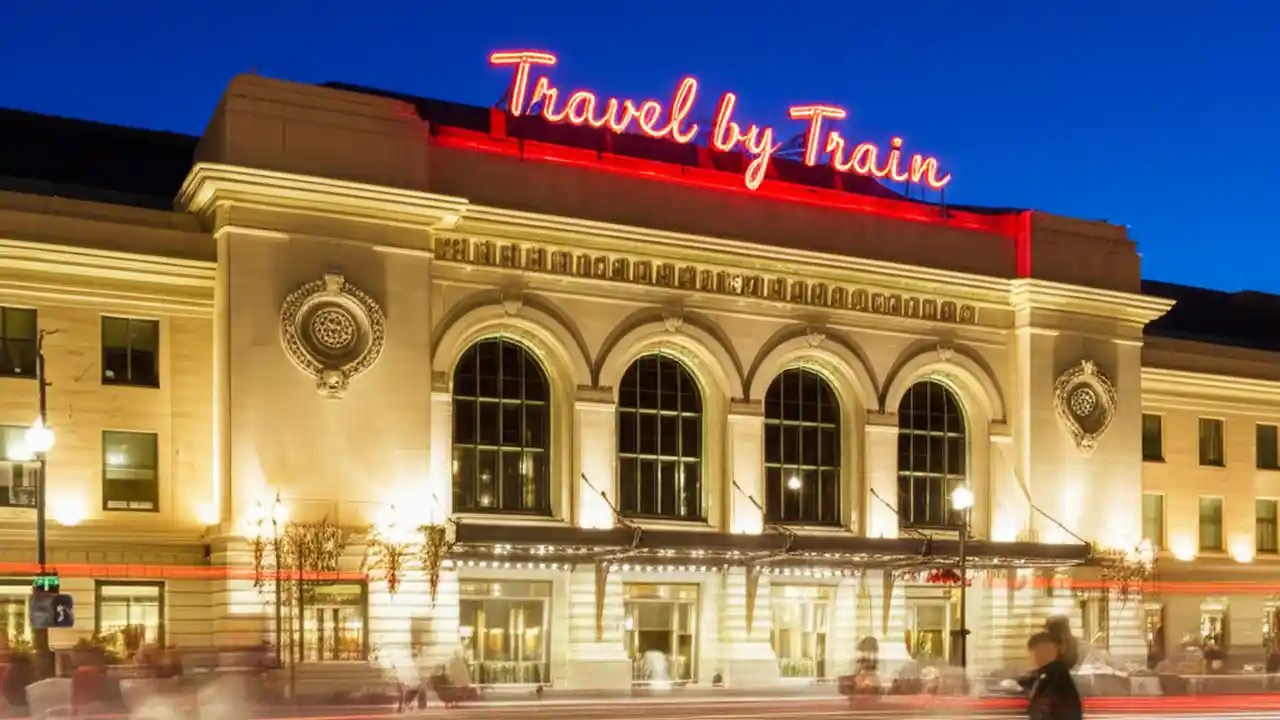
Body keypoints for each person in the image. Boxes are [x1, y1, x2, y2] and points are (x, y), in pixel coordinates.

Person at [1024, 632, 1083, 720]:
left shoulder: (1055, 679)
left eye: (1033, 652)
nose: (1032, 658)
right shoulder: (1050, 675)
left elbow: (1045, 709)